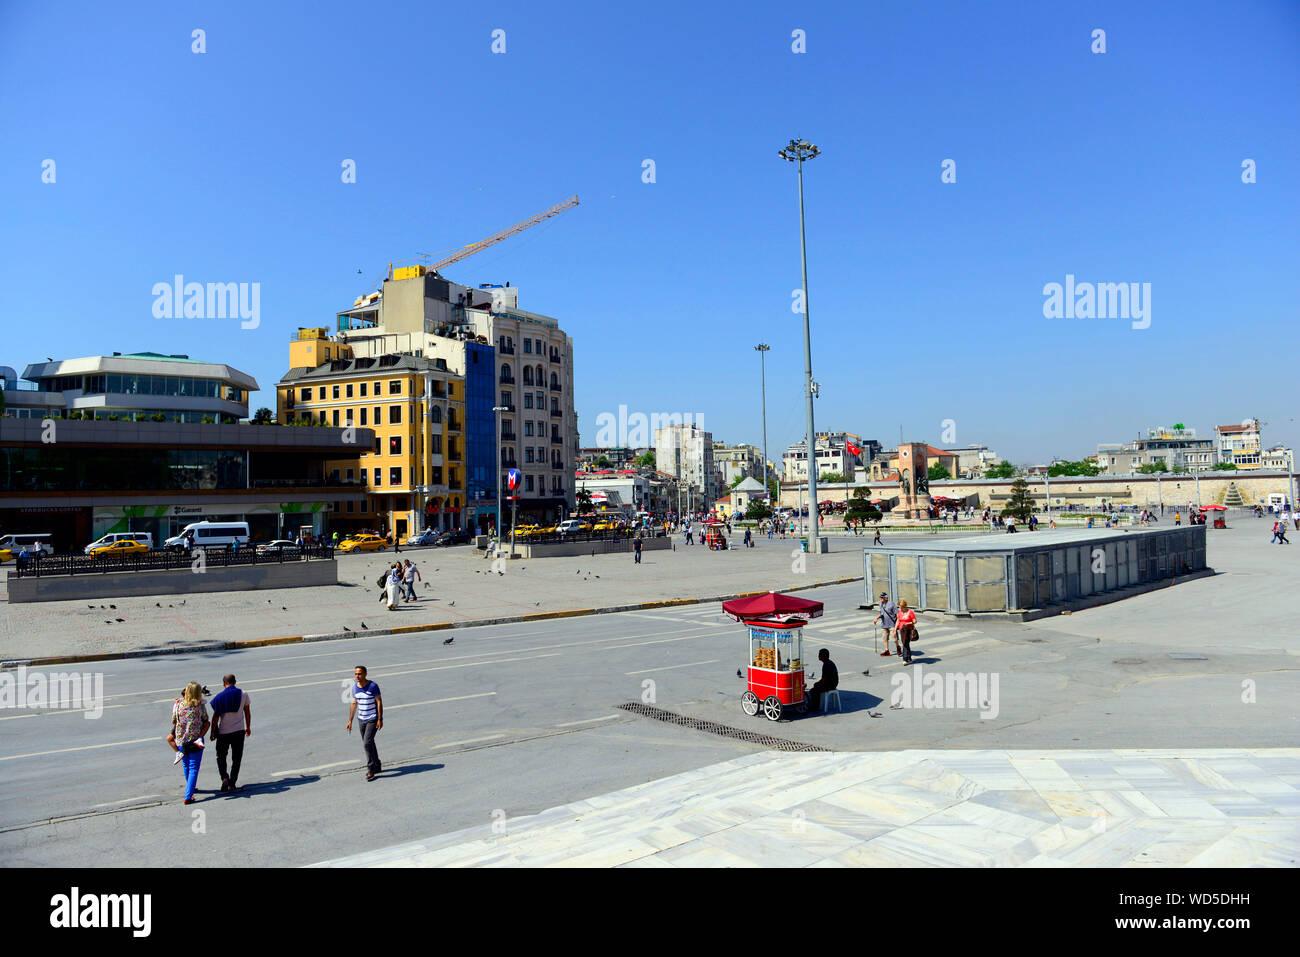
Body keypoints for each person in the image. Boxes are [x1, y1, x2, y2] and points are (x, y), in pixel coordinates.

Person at [209, 674, 251, 793]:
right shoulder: (243, 694)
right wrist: (248, 727)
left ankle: (224, 777)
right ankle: (232, 783)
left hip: (224, 733)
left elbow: (215, 717)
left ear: (223, 683)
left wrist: (213, 732)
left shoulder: (220, 697)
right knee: (236, 758)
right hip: (239, 731)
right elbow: (247, 712)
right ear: (235, 682)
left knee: (221, 756)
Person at [171, 681, 210, 804]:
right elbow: (206, 720)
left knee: (186, 765)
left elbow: (173, 721)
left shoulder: (178, 705)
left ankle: (190, 786)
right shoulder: (199, 706)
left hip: (180, 740)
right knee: (194, 767)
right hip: (195, 740)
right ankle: (188, 796)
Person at [346, 665, 382, 781]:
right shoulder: (355, 688)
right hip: (361, 720)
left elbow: (379, 702)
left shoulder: (373, 686)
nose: (357, 676)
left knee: (367, 743)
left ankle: (371, 768)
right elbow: (353, 704)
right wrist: (350, 720)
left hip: (372, 719)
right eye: (356, 674)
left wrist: (380, 719)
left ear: (365, 674)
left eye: (360, 674)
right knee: (369, 743)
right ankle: (377, 764)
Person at [874, 592, 899, 657]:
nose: (880, 599)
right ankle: (887, 650)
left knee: (894, 638)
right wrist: (876, 618)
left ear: (886, 598)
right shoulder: (880, 604)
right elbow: (881, 613)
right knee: (885, 638)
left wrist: (898, 622)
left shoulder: (891, 604)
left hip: (892, 624)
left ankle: (898, 647)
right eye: (880, 597)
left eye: (882, 597)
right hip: (884, 624)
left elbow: (897, 614)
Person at [895, 600, 918, 665]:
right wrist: (895, 630)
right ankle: (909, 657)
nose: (900, 609)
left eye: (901, 607)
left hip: (909, 629)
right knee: (906, 643)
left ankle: (905, 659)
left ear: (904, 606)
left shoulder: (910, 612)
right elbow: (898, 621)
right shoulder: (899, 612)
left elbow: (915, 621)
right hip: (902, 630)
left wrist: (908, 623)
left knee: (905, 643)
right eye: (899, 607)